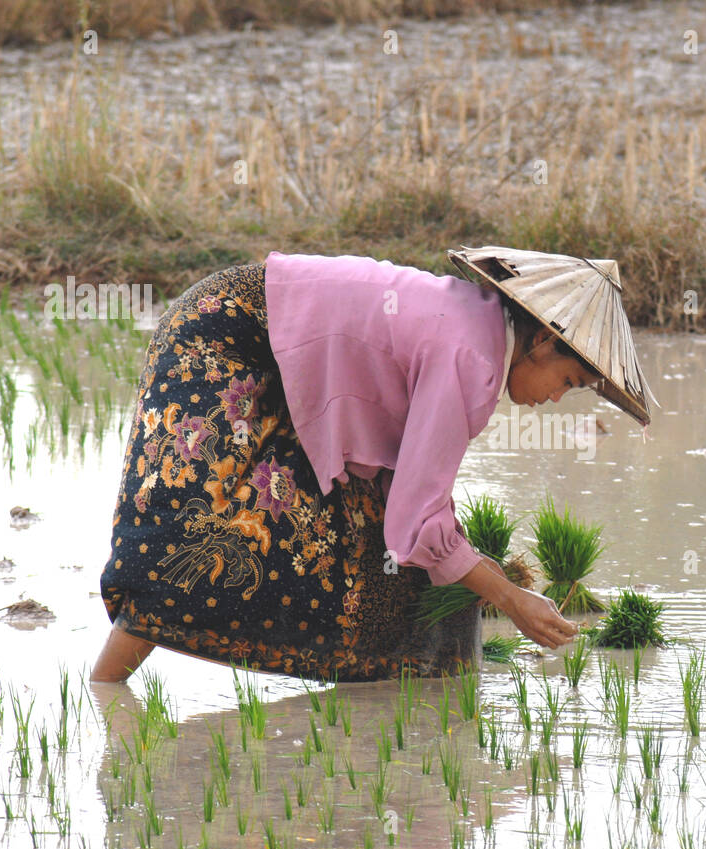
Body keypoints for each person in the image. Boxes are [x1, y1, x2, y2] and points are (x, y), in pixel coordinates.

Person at [91, 245, 655, 683]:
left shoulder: (477, 329)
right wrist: (510, 597)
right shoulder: (472, 357)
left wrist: (475, 575)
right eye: (569, 381)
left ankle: (392, 693)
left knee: (364, 544)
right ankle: (105, 695)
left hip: (277, 352)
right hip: (228, 332)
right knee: (193, 536)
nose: (558, 397)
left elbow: (412, 510)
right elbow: (416, 522)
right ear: (542, 342)